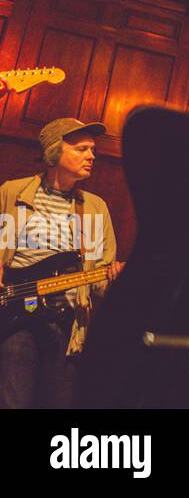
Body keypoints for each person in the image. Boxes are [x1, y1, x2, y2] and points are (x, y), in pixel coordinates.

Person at [0, 118, 122, 408]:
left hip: (69, 326)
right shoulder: (12, 193)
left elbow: (100, 279)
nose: (92, 156)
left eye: (92, 149)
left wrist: (115, 277)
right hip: (17, 320)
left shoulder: (95, 208)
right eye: (81, 149)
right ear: (54, 152)